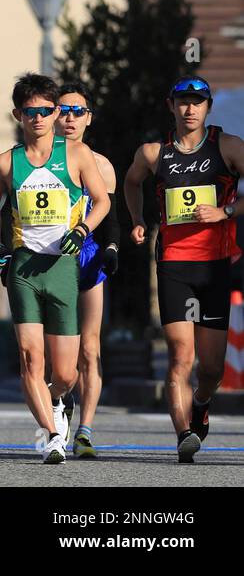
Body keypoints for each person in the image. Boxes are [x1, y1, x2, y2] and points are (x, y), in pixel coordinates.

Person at [0, 74, 110, 466]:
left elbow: (103, 201)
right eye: (29, 112)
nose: (37, 118)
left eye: (44, 111)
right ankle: (53, 436)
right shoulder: (5, 162)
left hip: (62, 269)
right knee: (29, 357)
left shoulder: (77, 155)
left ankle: (58, 399)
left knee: (67, 373)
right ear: (17, 115)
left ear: (55, 113)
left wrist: (83, 229)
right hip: (23, 269)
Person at [123, 75, 244, 463]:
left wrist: (224, 211)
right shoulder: (153, 153)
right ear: (171, 106)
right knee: (180, 356)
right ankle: (184, 434)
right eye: (183, 103)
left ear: (208, 107)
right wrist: (138, 219)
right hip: (174, 265)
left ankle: (202, 404)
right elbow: (131, 182)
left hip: (214, 267)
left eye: (197, 102)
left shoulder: (227, 146)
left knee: (210, 369)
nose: (189, 110)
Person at [54, 82, 120, 459]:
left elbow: (110, 216)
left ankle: (85, 431)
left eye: (78, 111)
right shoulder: (37, 160)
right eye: (63, 110)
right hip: (48, 257)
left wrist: (111, 248)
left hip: (86, 256)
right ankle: (60, 400)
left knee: (90, 348)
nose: (70, 118)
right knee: (57, 350)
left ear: (89, 118)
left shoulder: (102, 164)